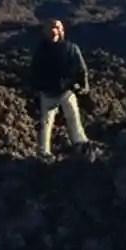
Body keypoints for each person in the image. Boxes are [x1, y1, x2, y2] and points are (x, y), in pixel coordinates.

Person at [29, 18, 92, 157]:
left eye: (56, 28)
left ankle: (80, 143)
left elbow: (81, 69)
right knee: (47, 121)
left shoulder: (69, 48)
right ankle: (44, 150)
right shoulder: (42, 51)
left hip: (65, 91)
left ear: (61, 31)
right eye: (51, 28)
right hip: (50, 91)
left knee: (72, 118)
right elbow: (35, 71)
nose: (54, 31)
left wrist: (83, 85)